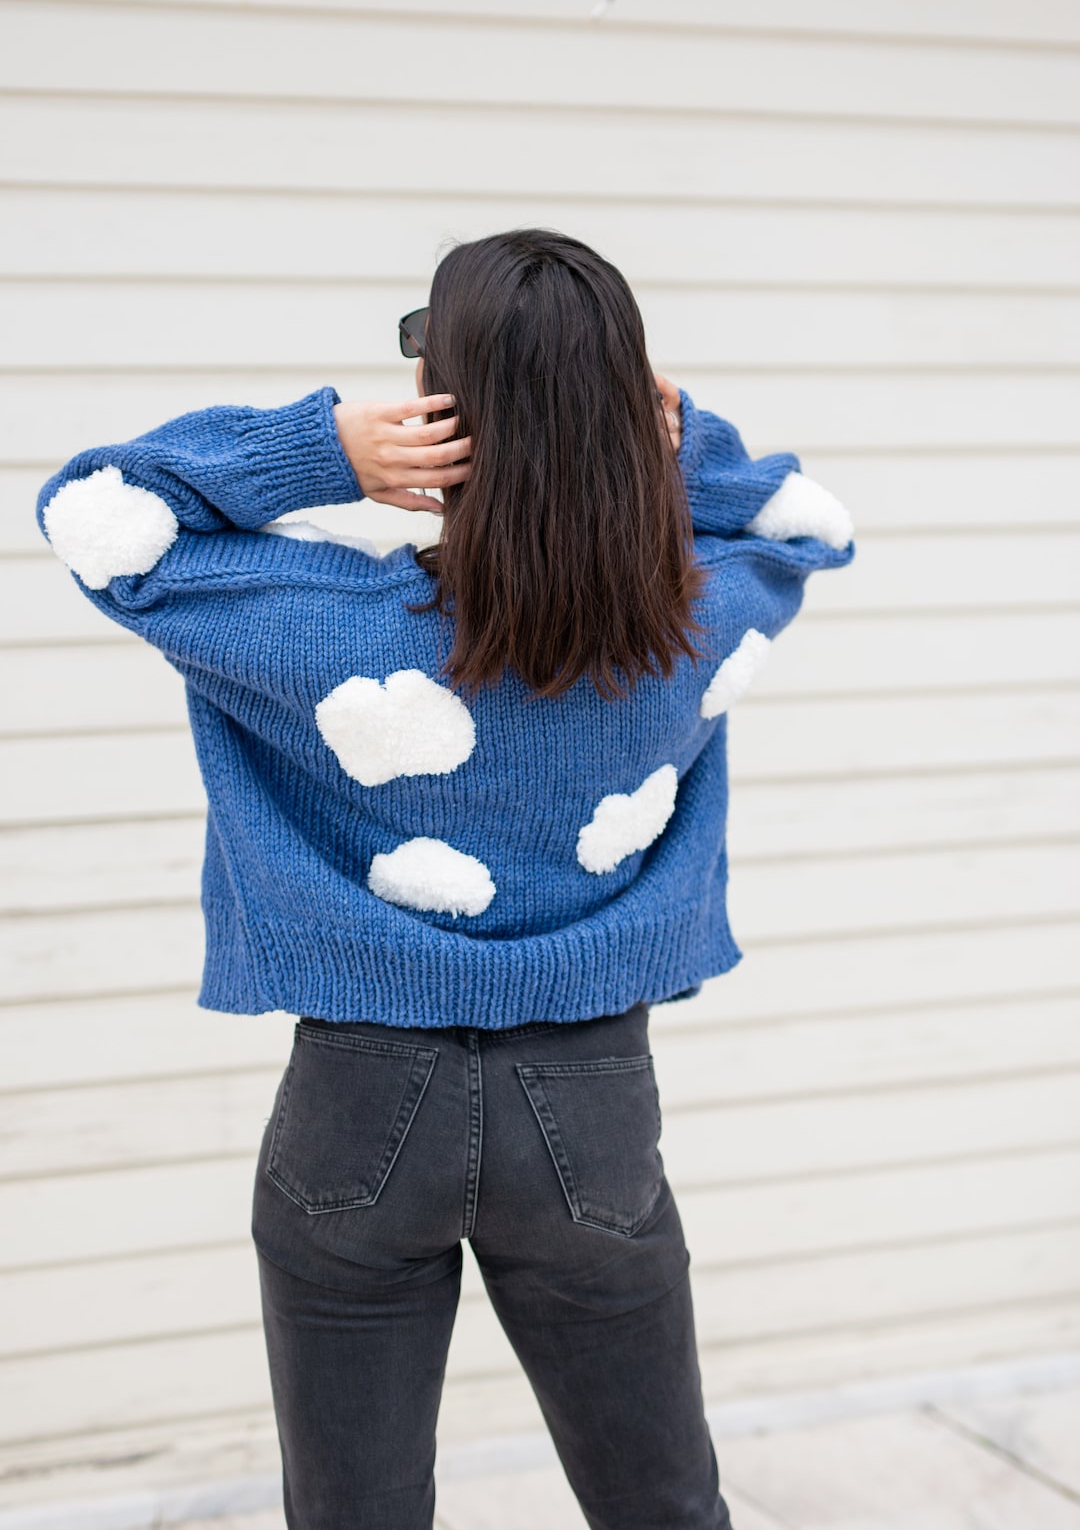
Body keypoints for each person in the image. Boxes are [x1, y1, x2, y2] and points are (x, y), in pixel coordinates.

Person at [35, 228, 856, 1530]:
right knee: (668, 1508)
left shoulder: (318, 623)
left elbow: (98, 515)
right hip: (588, 1111)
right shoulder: (693, 620)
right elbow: (803, 520)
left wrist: (324, 449)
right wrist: (671, 432)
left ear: (441, 406)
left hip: (359, 1109)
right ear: (631, 409)